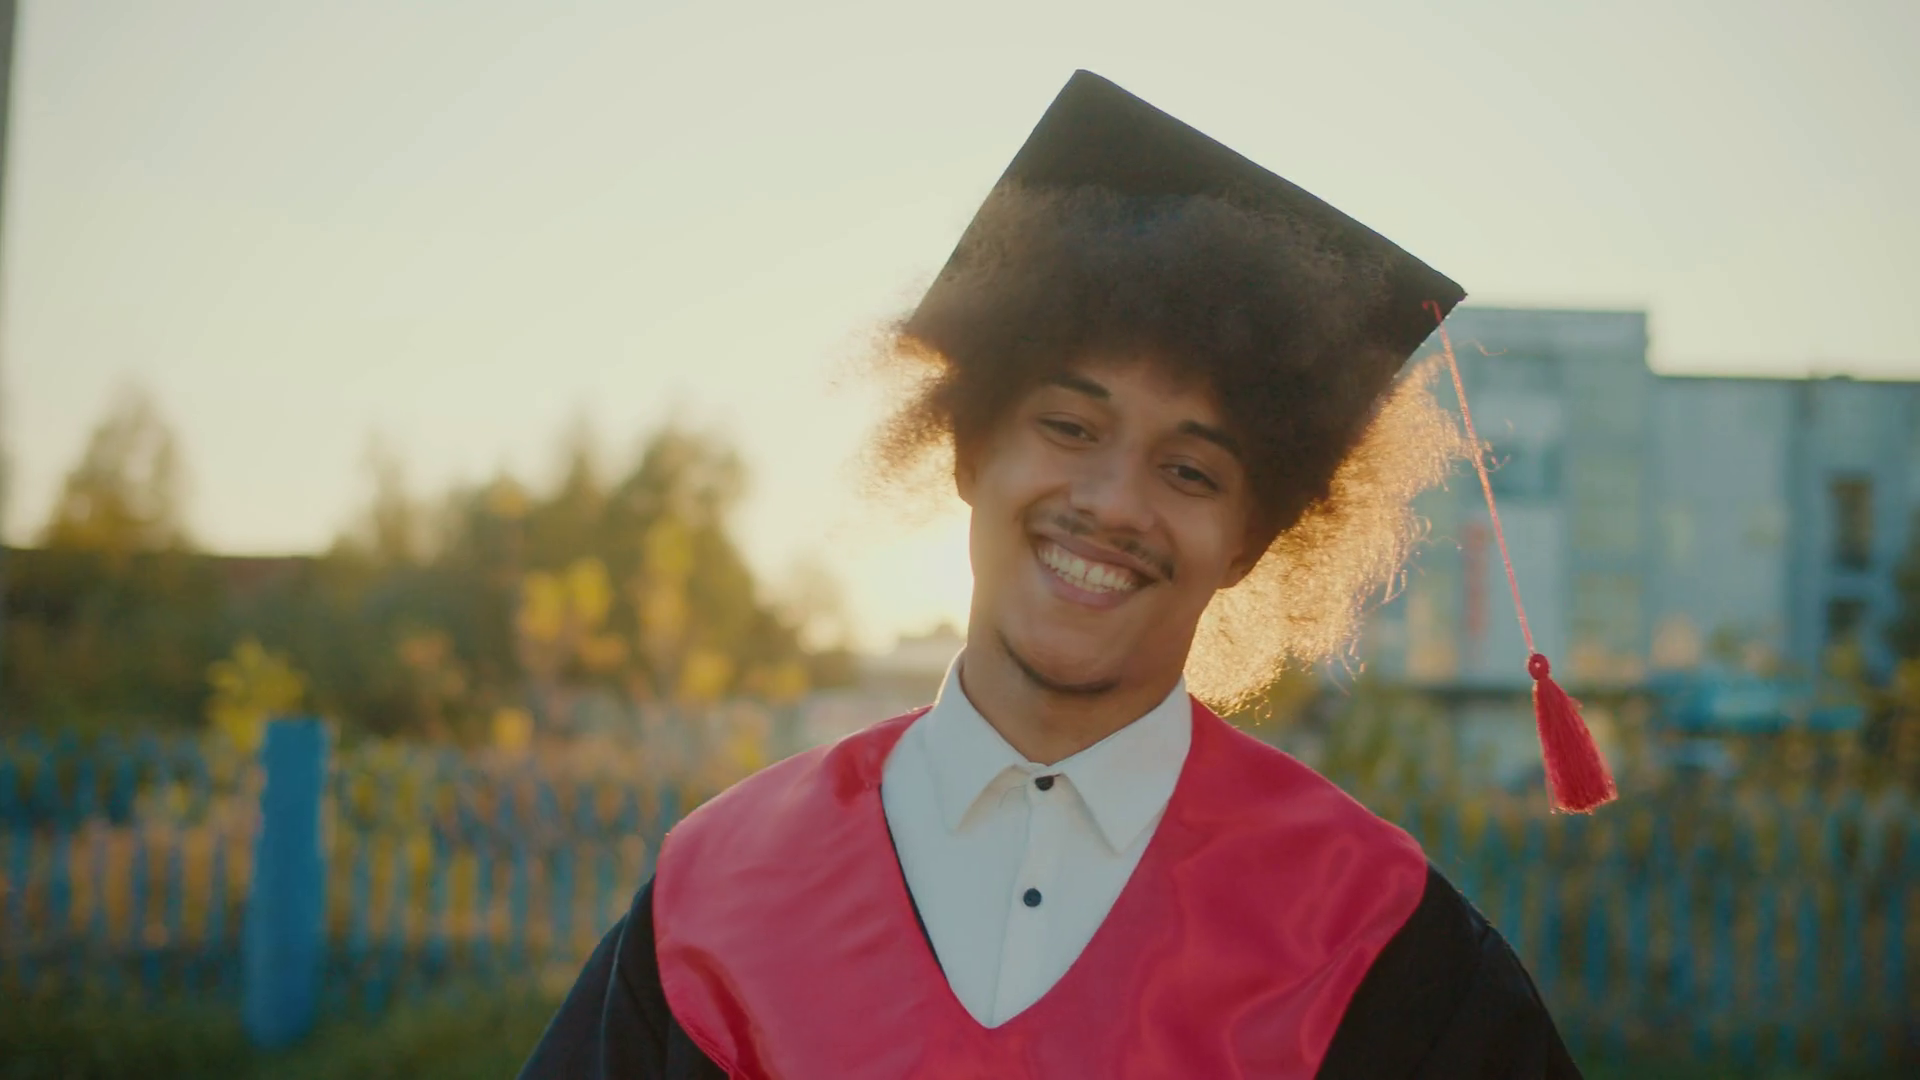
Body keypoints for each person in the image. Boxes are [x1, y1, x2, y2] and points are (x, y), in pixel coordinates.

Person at [521, 70, 1586, 1079]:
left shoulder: (1369, 927)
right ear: (970, 447)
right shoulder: (724, 892)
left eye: (1189, 469)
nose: (1116, 503)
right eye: (1071, 425)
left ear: (1249, 542)